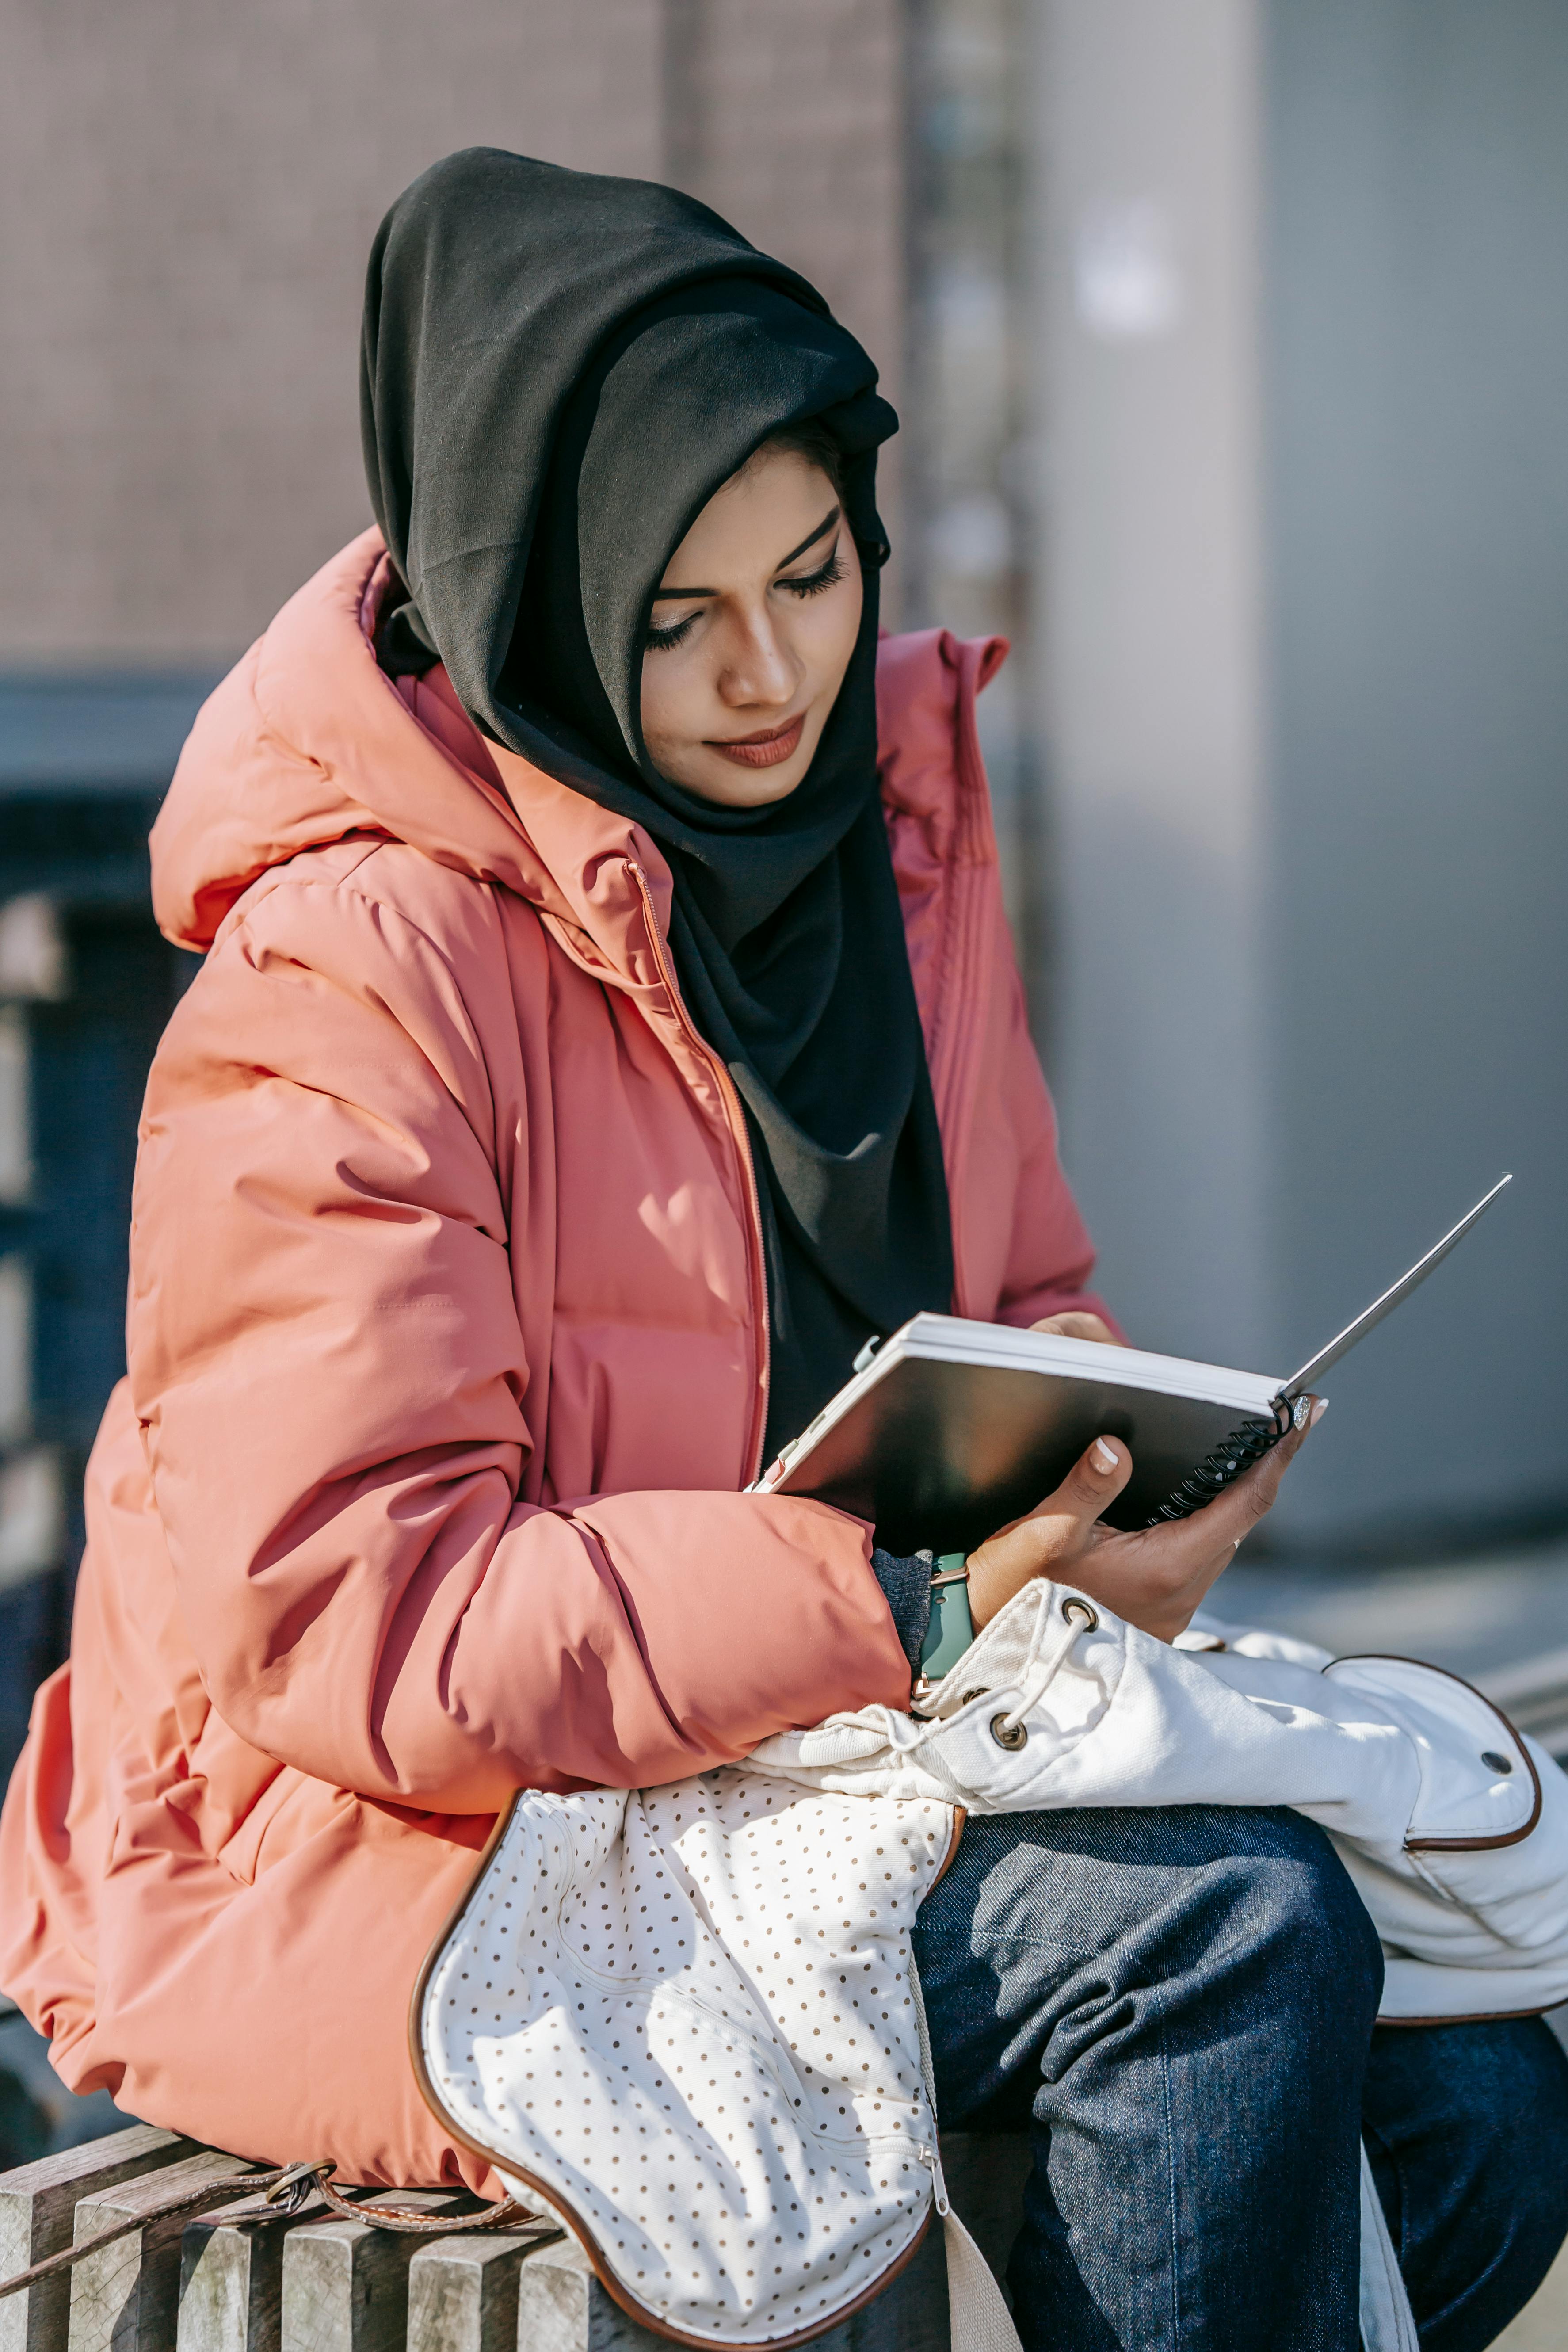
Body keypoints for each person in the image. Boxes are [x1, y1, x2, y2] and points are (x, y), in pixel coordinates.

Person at [1, 149, 1564, 2352]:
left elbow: (1015, 1290)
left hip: (818, 1736)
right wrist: (909, 1591)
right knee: (1222, 1932)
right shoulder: (344, 975)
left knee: (1486, 2080)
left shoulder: (889, 830)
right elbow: (367, 1621)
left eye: (813, 575)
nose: (771, 674)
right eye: (673, 617)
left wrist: (1108, 1476)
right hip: (388, 1837)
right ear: (525, 596)